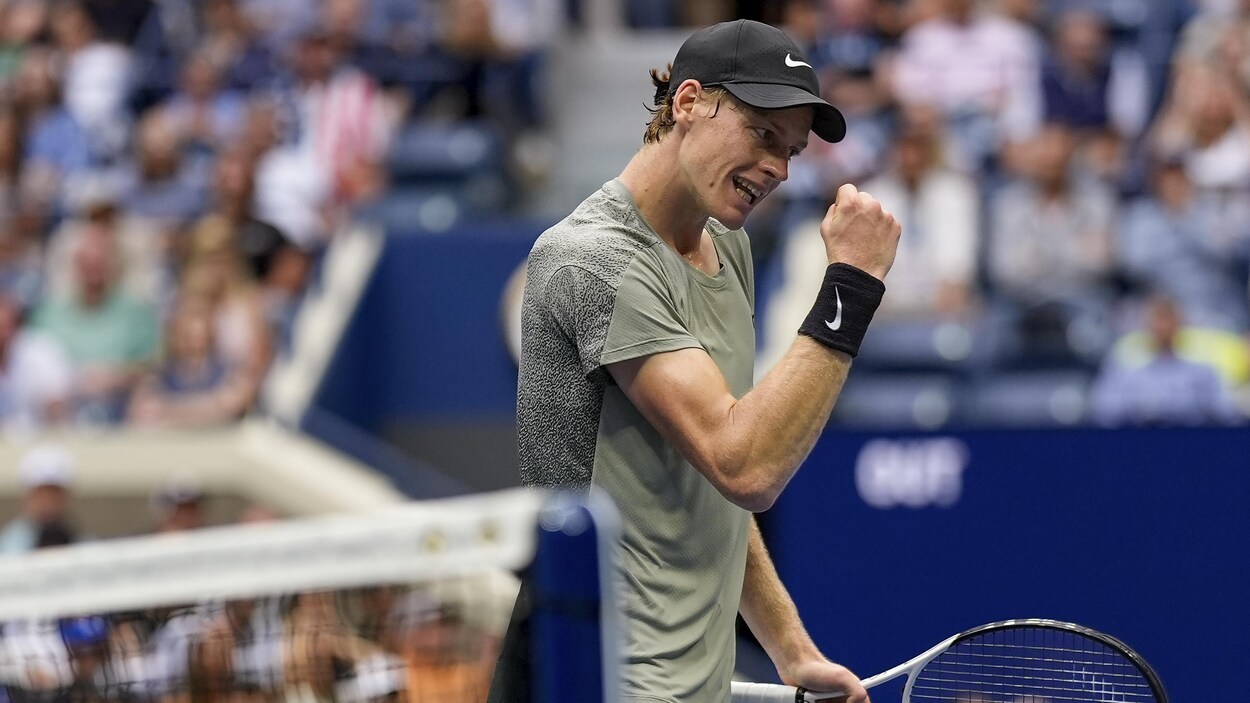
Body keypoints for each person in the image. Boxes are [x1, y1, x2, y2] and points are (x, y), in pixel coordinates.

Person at [498, 19, 900, 703]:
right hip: (598, 677)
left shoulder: (727, 245)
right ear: (686, 103)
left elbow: (706, 487)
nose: (777, 165)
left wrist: (791, 647)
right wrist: (851, 289)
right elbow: (744, 464)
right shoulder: (593, 262)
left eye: (793, 150)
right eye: (762, 133)